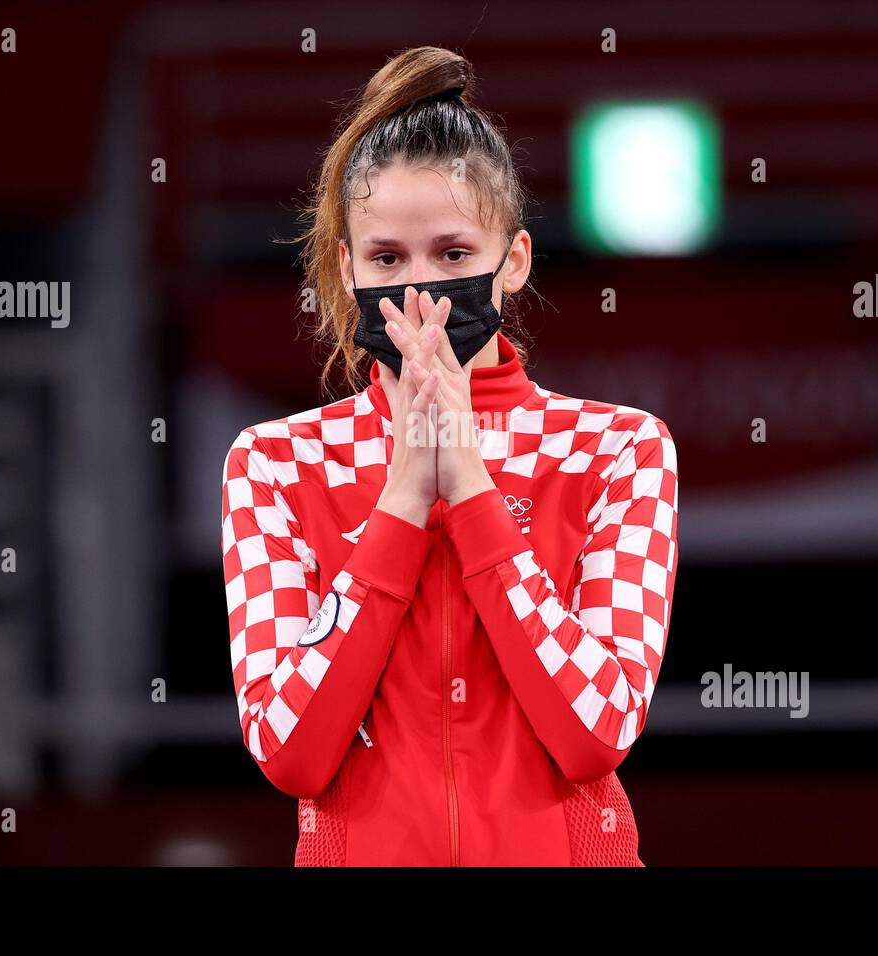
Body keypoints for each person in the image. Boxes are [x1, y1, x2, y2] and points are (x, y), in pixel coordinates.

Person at [219, 46, 678, 865]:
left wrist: (470, 488)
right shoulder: (275, 464)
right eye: (388, 259)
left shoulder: (616, 449)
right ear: (345, 268)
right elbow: (292, 751)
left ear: (515, 263)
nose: (422, 293)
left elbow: (595, 732)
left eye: (455, 255)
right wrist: (400, 500)